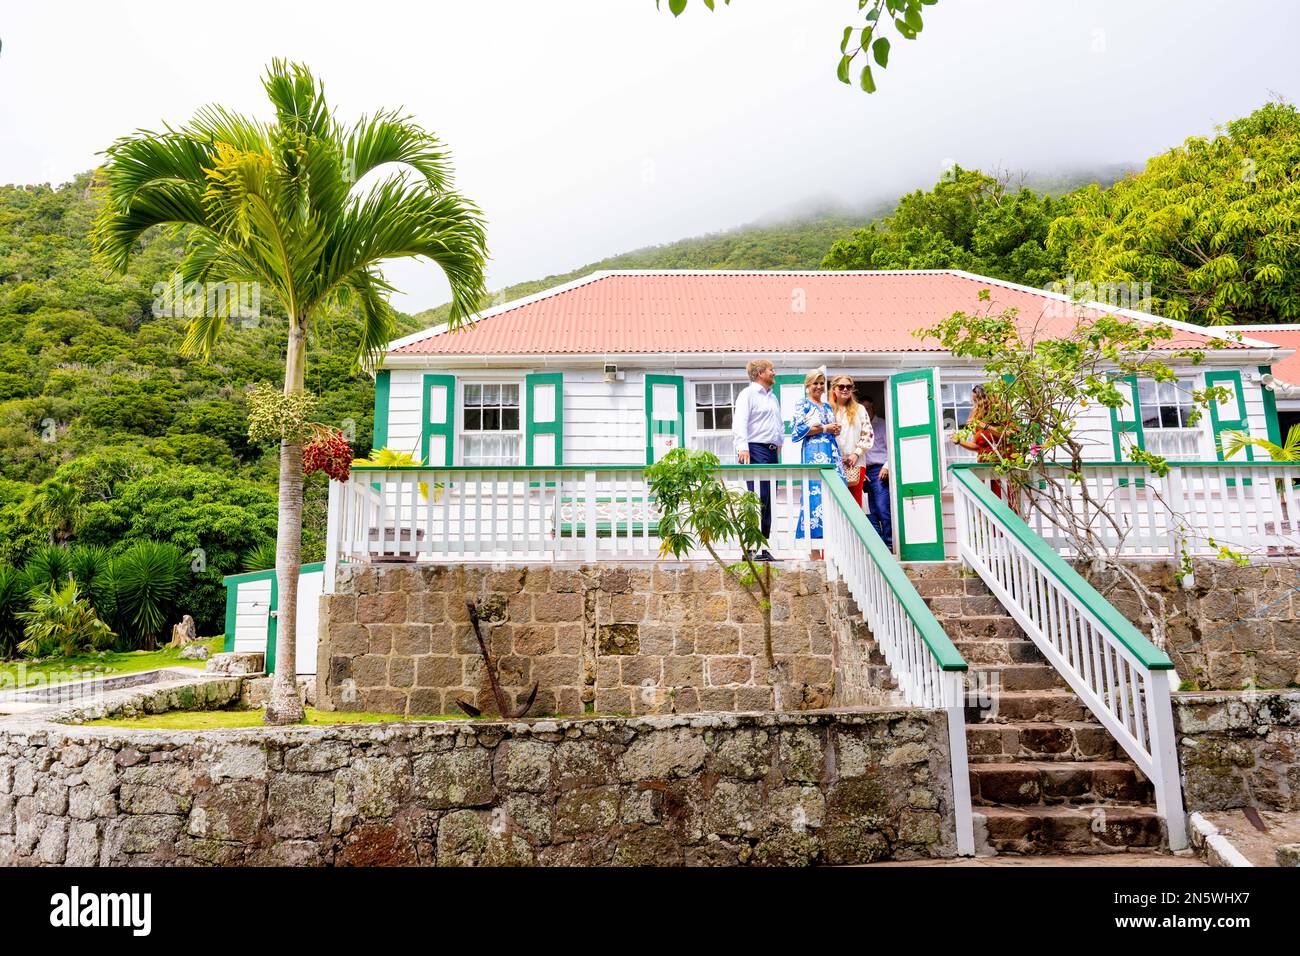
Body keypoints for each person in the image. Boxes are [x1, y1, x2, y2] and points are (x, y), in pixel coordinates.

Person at [733, 357, 783, 561]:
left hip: (771, 452)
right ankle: (750, 549)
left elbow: (778, 424)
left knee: (768, 499)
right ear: (760, 373)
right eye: (771, 370)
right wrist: (742, 447)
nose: (774, 373)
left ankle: (763, 548)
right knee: (757, 499)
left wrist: (779, 445)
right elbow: (740, 422)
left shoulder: (773, 397)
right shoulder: (748, 394)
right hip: (755, 449)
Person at [792, 368, 845, 559]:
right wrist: (824, 428)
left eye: (822, 383)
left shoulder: (828, 407)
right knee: (814, 497)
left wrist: (835, 430)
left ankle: (833, 550)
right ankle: (814, 552)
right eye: (815, 383)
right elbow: (797, 431)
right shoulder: (803, 405)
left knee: (834, 496)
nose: (819, 386)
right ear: (808, 386)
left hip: (831, 454)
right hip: (814, 453)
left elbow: (830, 429)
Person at [952, 384, 1018, 512]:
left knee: (1005, 507)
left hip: (1003, 468)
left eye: (977, 400)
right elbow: (979, 446)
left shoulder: (1004, 412)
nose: (975, 404)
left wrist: (985, 426)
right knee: (987, 508)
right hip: (985, 470)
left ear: (987, 399)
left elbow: (1011, 435)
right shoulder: (978, 417)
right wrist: (959, 441)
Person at [830, 375, 873, 508]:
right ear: (834, 389)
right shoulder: (827, 409)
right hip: (834, 462)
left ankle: (854, 530)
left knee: (855, 504)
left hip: (856, 462)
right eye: (841, 386)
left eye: (848, 387)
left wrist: (856, 453)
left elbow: (868, 434)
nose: (845, 389)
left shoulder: (859, 409)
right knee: (835, 503)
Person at [861, 396, 892, 549]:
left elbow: (892, 448)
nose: (865, 411)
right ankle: (878, 544)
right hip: (863, 473)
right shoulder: (859, 426)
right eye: (863, 408)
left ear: (873, 408)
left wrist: (886, 466)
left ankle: (890, 543)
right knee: (869, 510)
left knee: (882, 507)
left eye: (868, 408)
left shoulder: (882, 424)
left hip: (879, 471)